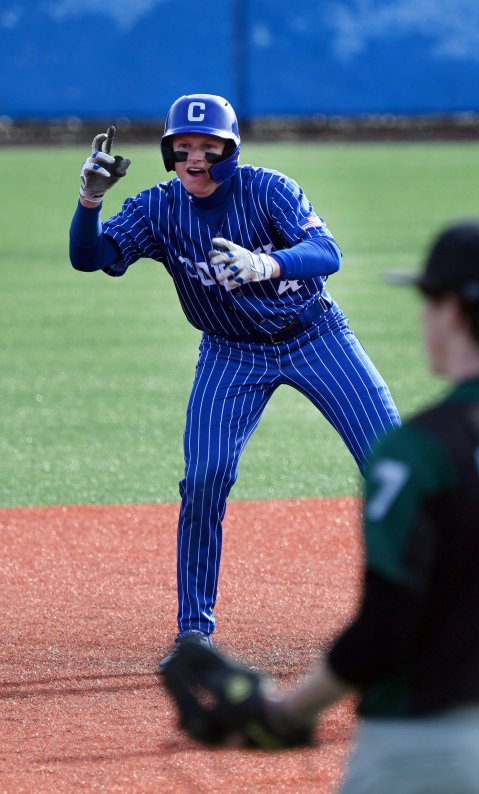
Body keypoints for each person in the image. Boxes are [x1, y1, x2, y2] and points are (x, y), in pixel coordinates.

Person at [164, 218, 479, 793]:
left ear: (453, 311)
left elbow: (385, 627)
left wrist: (284, 712)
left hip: (418, 746)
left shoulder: (420, 452)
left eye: (428, 300)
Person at [68, 93, 402, 668]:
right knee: (203, 478)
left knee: (395, 465)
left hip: (315, 336)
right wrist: (90, 200)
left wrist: (265, 263)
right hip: (230, 354)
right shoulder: (157, 209)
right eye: (183, 148)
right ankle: (194, 632)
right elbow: (90, 257)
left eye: (208, 147)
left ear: (232, 150)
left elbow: (328, 252)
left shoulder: (269, 189)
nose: (195, 159)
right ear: (168, 151)